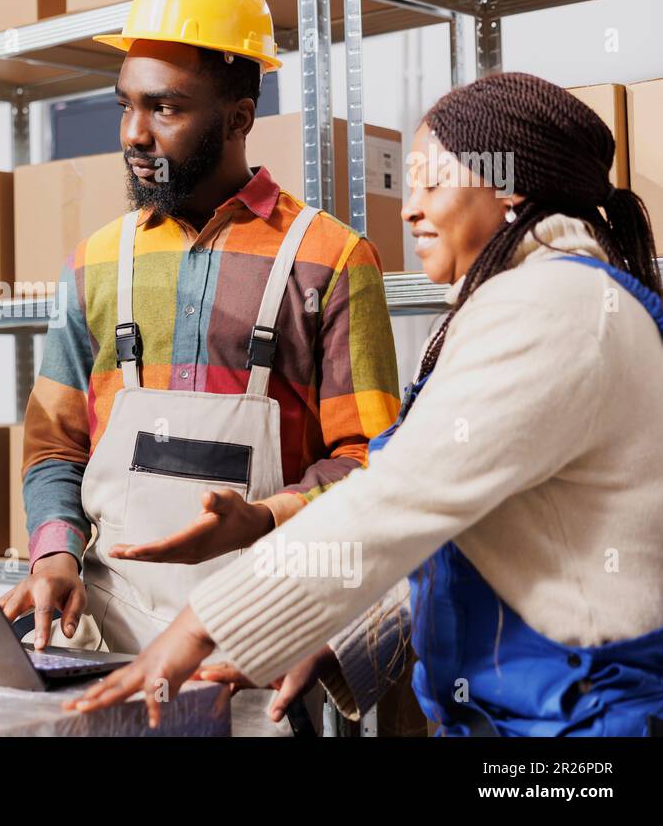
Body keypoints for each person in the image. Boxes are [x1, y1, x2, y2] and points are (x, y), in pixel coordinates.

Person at [66, 72, 663, 737]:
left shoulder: (554, 311)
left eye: (433, 183)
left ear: (508, 189)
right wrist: (333, 640)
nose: (409, 209)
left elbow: (401, 499)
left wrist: (200, 627)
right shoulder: (537, 297)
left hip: (581, 724)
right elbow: (459, 533)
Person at [0, 0, 401, 735]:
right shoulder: (93, 263)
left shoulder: (331, 259)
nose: (133, 134)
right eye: (125, 106)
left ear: (240, 115)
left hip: (252, 642)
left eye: (165, 108)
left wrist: (264, 516)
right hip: (103, 646)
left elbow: (369, 467)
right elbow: (55, 445)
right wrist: (54, 554)